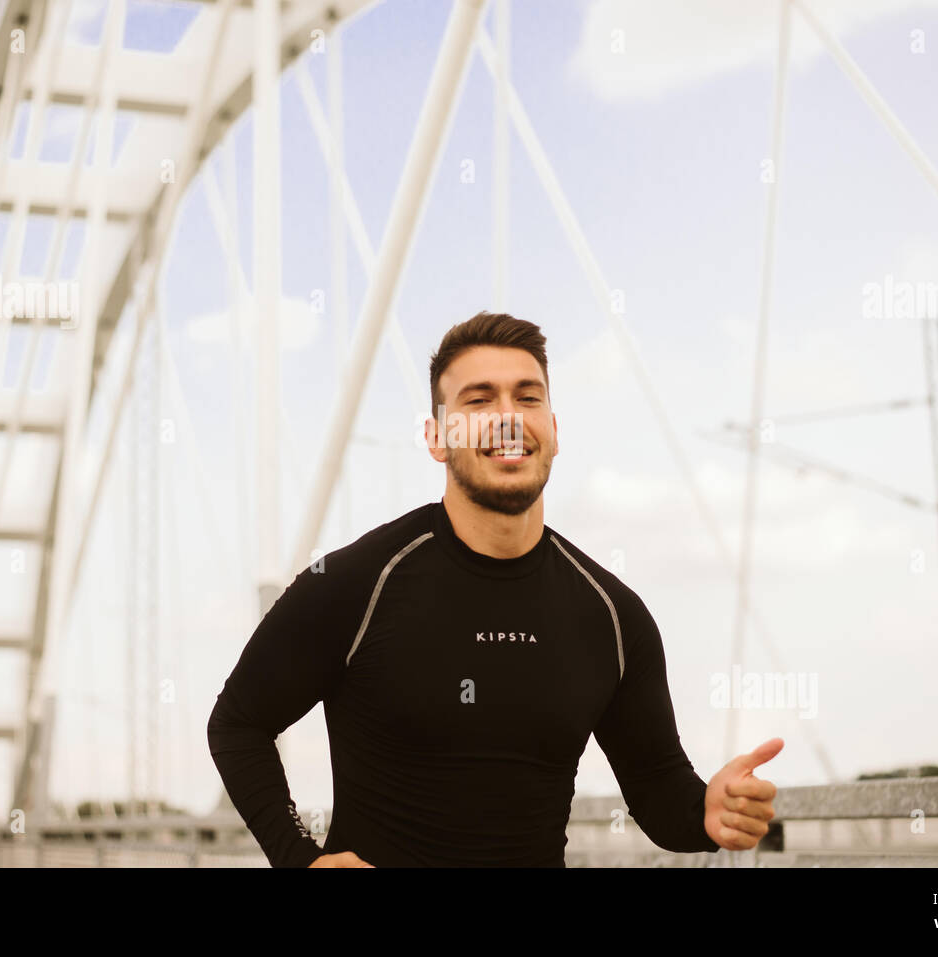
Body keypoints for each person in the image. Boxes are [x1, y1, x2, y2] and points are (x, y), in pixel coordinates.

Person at [207, 310, 781, 867]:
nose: (508, 416)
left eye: (528, 398)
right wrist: (299, 857)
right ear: (436, 438)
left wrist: (707, 812)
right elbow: (238, 722)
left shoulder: (610, 613)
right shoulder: (356, 584)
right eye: (479, 400)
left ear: (553, 432)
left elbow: (657, 786)